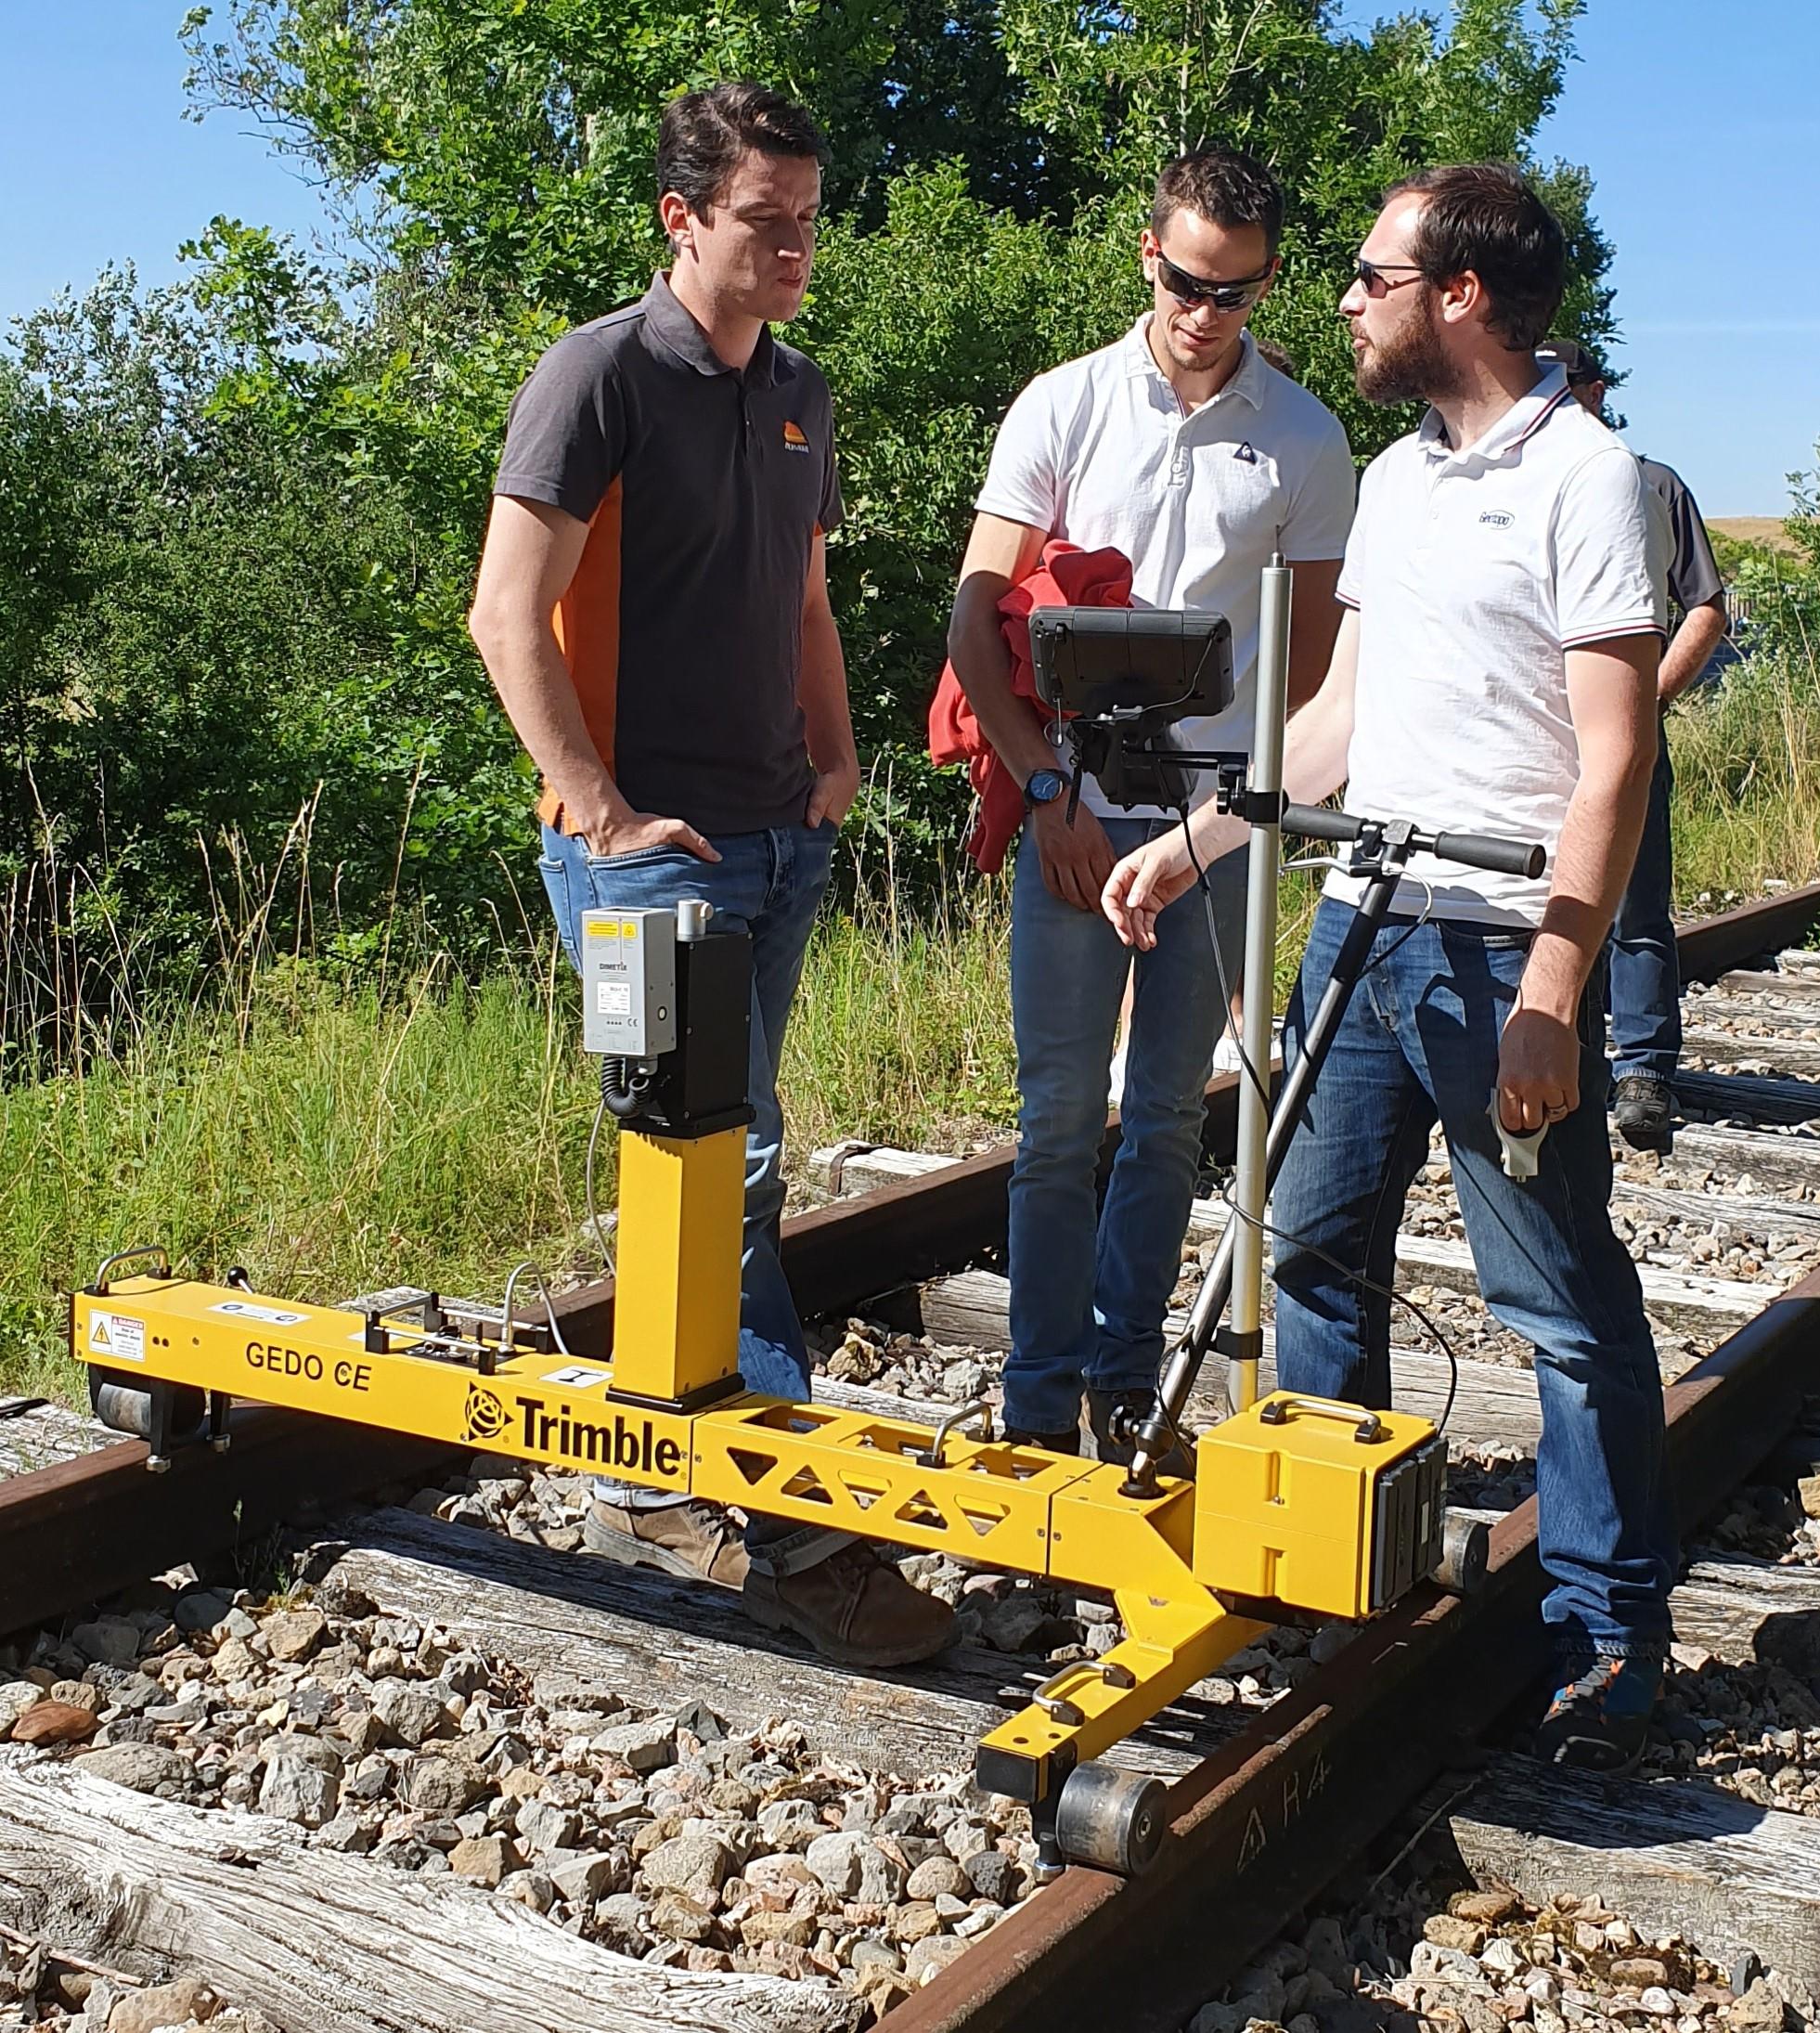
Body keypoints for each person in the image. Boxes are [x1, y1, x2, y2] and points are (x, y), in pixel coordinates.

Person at [1104, 162, 1677, 1768]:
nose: (1344, 300)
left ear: (1465, 296)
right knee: (1318, 1259)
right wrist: (1200, 837)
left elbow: (1614, 764)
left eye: (1372, 275)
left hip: (1504, 946)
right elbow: (1339, 723)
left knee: (1557, 1309)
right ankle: (1328, 1572)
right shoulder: (1401, 480)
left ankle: (1610, 1633)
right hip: (1366, 922)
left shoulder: (1594, 481)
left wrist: (1561, 993)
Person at [468, 81, 952, 1669]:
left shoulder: (800, 390)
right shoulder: (597, 375)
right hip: (644, 862)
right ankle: (802, 1538)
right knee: (719, 1168)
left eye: (810, 218)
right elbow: (503, 612)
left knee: (714, 1166)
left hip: (772, 837)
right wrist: (597, 808)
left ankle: (655, 1463)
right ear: (684, 219)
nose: (799, 245)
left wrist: (835, 767)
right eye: (768, 219)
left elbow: (806, 604)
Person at [947, 148, 1355, 1458]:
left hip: (1217, 814)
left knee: (1172, 1113)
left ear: (1265, 285)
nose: (1202, 311)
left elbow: (1311, 672)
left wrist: (1232, 815)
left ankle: (1125, 1378)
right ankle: (1033, 1388)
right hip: (1072, 796)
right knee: (1060, 1110)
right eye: (1184, 281)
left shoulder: (1301, 436)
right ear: (1146, 257)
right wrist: (1045, 779)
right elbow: (972, 616)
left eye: (1231, 293)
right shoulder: (1061, 407)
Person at [1542, 340, 1728, 1151]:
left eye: (1563, 381)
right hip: (1531, 738)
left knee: (1635, 905)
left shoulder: (1651, 483)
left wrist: (1646, 696)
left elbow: (1705, 605)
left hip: (1620, 734)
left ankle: (1645, 1069)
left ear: (1595, 390)